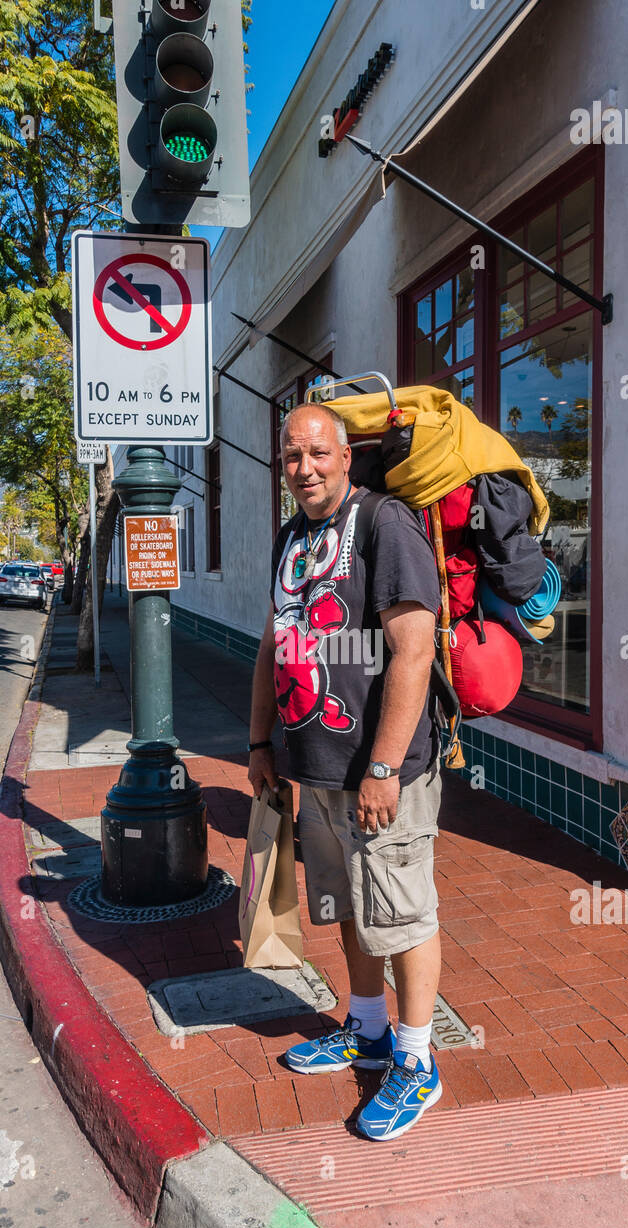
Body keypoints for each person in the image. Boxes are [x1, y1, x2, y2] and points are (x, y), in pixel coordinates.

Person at [248, 402, 444, 1141]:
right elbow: (276, 644)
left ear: (346, 457)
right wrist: (261, 744)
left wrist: (385, 766)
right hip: (317, 769)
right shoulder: (291, 537)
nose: (304, 468)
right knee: (351, 908)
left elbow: (414, 650)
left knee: (401, 912)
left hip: (380, 774)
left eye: (318, 453)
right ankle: (365, 1029)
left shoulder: (384, 526)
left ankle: (418, 1061)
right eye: (292, 456)